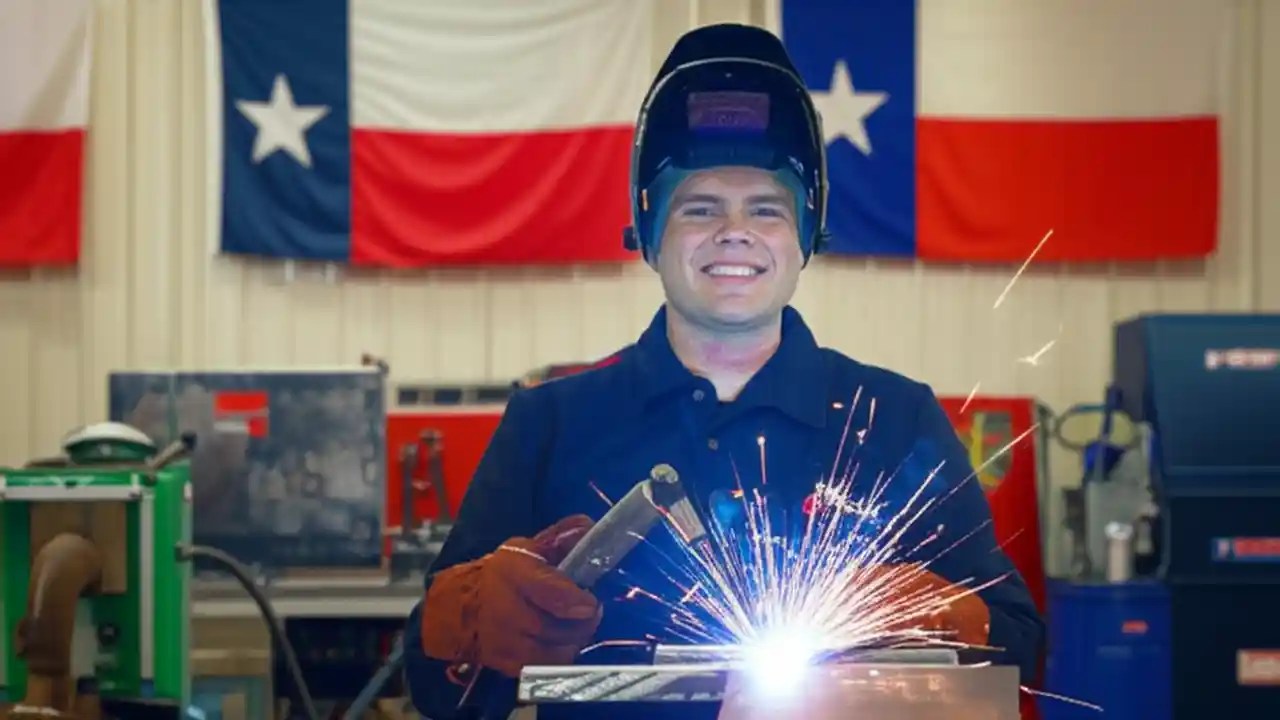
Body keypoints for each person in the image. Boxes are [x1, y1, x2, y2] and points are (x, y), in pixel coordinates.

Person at [403, 23, 1044, 720]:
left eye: (765, 209)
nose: (733, 231)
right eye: (698, 208)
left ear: (804, 237)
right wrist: (468, 622)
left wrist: (947, 616)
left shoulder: (892, 419)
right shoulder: (552, 421)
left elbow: (1019, 649)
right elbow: (434, 688)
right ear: (650, 235)